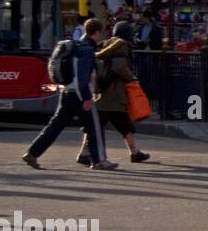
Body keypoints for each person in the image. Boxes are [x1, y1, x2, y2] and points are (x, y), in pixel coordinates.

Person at [22, 18, 116, 171]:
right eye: (101, 33)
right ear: (97, 33)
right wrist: (86, 98)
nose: (102, 36)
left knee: (55, 126)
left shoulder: (75, 45)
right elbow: (82, 76)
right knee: (94, 127)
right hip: (79, 93)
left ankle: (32, 153)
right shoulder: (86, 49)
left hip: (66, 91)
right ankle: (99, 160)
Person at [76, 22, 150, 165]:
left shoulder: (107, 43)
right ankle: (85, 154)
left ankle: (134, 152)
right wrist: (132, 78)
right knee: (101, 125)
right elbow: (119, 66)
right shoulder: (122, 45)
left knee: (122, 124)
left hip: (103, 91)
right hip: (114, 92)